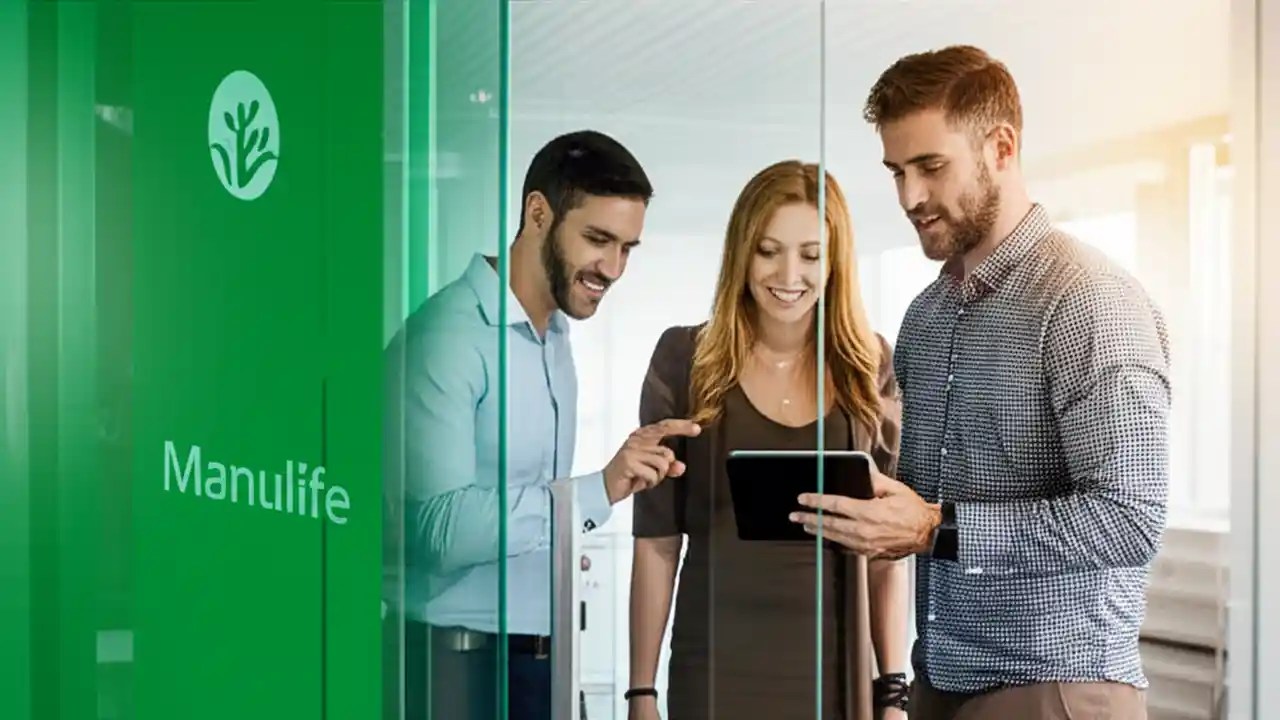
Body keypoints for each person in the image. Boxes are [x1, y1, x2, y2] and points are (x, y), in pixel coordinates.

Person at [790, 46, 1171, 719]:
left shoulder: (1090, 300)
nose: (910, 197)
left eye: (930, 167)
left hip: (1057, 687)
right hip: (940, 683)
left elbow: (1129, 519)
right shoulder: (927, 318)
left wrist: (936, 527)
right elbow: (921, 512)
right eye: (897, 172)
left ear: (1000, 147)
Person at [385, 129, 701, 720]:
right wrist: (595, 491)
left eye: (628, 247)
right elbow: (437, 530)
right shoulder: (446, 339)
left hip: (541, 662)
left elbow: (519, 508)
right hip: (454, 669)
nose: (613, 267)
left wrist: (554, 542)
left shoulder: (554, 337)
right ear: (537, 213)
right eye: (598, 240)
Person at [627, 160, 911, 720]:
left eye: (810, 254)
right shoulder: (685, 362)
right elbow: (657, 540)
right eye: (768, 250)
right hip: (712, 670)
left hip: (836, 673)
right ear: (741, 253)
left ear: (835, 263)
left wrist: (893, 693)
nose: (789, 273)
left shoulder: (867, 367)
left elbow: (886, 552)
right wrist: (641, 692)